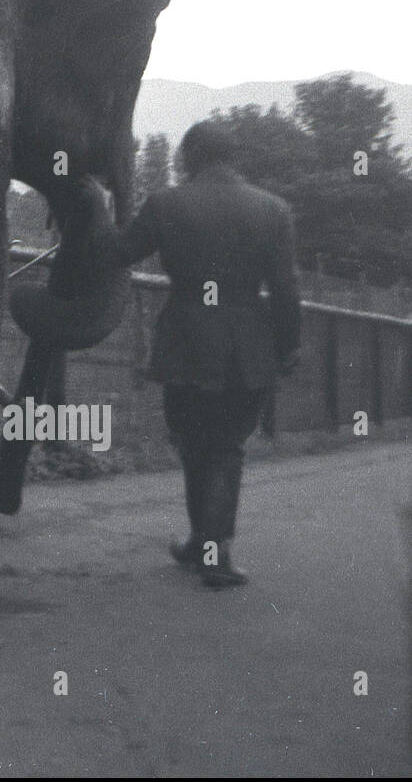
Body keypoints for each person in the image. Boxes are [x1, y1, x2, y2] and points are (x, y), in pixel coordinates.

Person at [94, 121, 301, 588]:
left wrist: (93, 206)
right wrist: (289, 345)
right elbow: (286, 286)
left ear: (189, 156)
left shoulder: (166, 204)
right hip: (247, 342)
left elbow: (118, 253)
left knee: (194, 443)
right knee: (227, 445)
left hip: (184, 337)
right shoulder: (274, 209)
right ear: (233, 157)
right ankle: (212, 548)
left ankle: (203, 543)